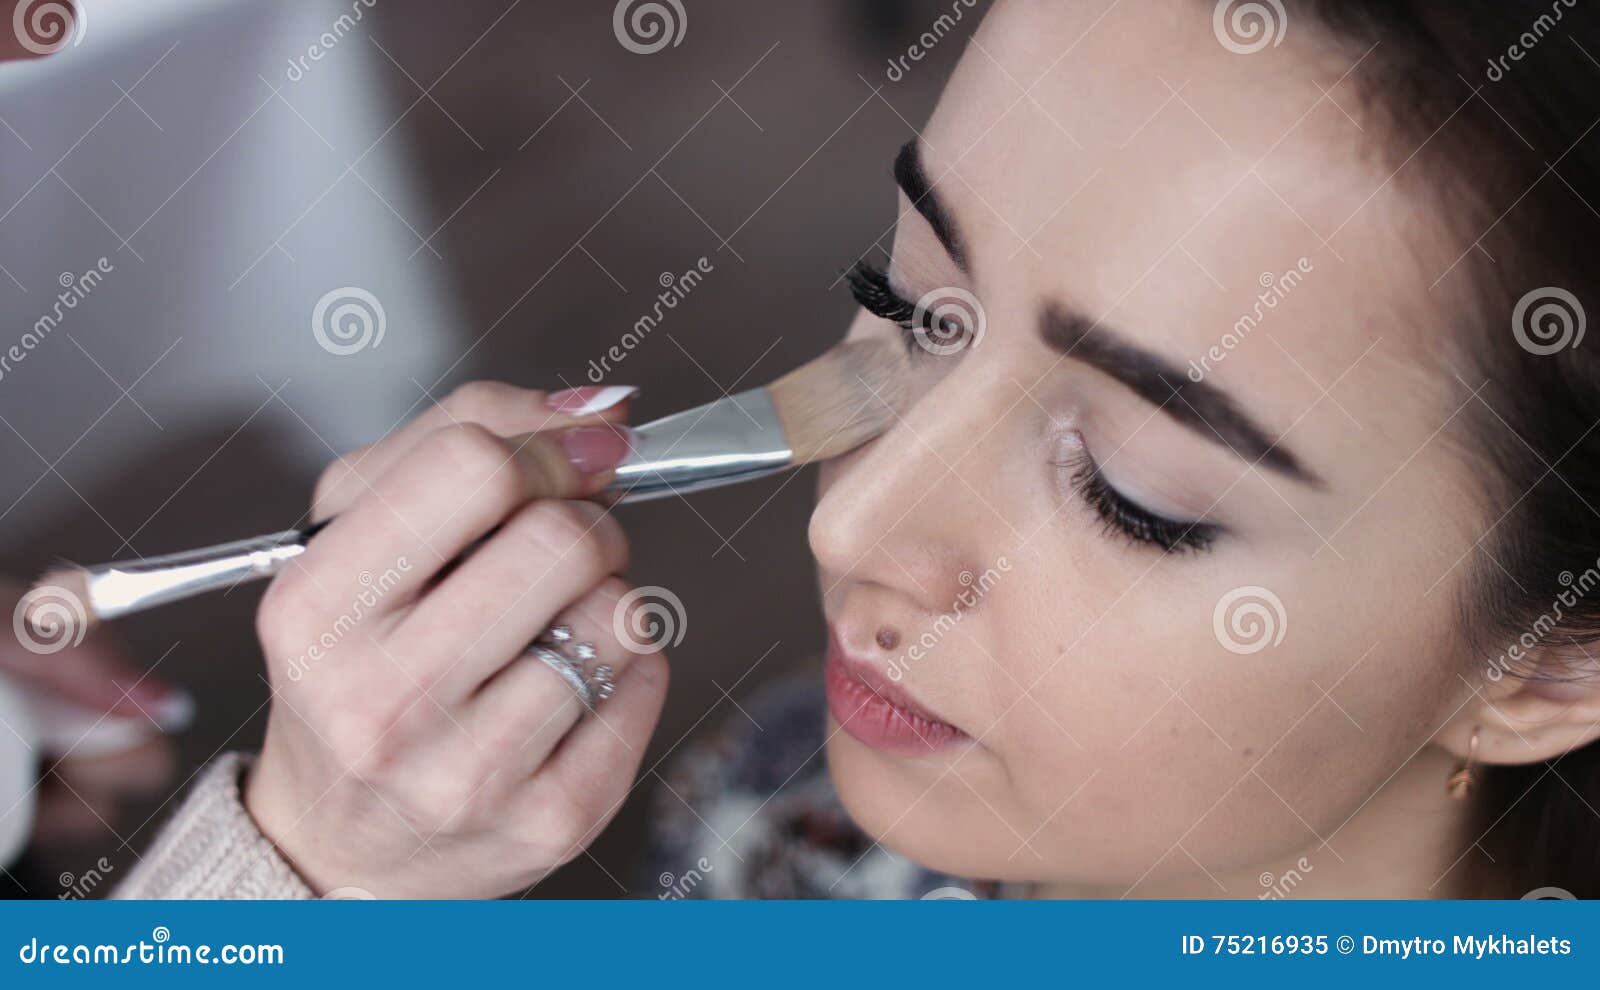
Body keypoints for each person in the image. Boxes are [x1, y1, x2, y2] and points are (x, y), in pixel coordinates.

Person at [111, 0, 1600, 898]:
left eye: (1132, 496)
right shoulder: (790, 808)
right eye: (914, 310)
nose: (849, 526)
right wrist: (310, 878)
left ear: (1546, 659)